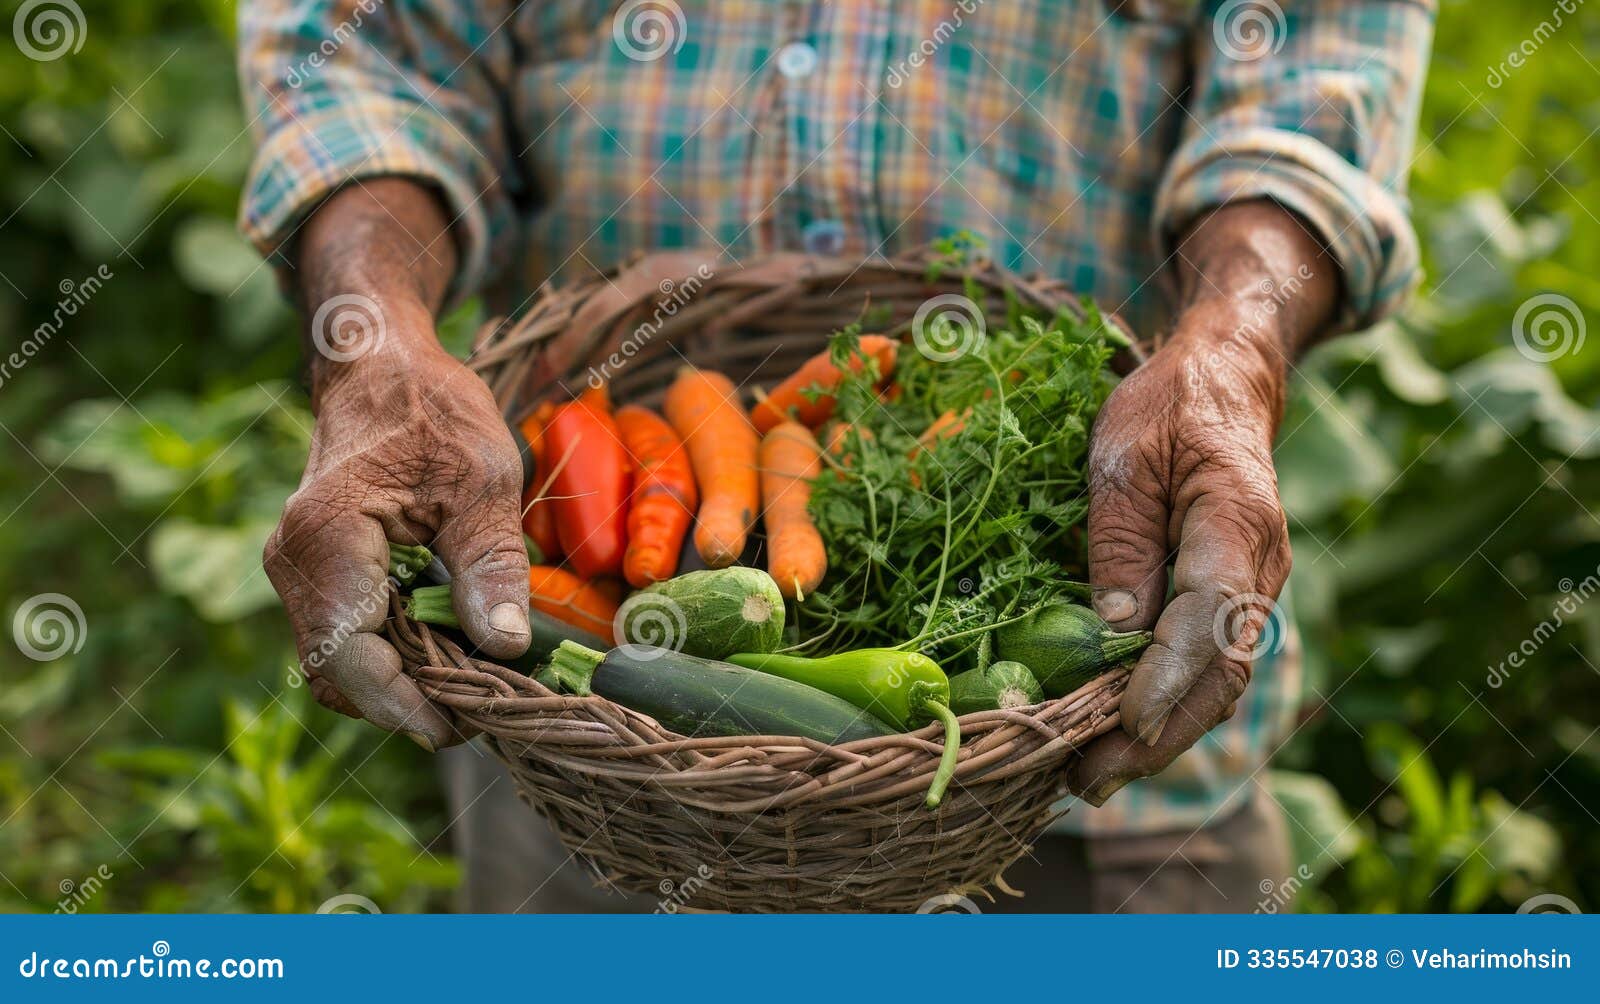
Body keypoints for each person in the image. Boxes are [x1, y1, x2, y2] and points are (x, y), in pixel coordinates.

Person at [239, 0, 1433, 913]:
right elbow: (364, 54)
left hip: (1107, 776)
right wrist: (375, 343)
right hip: (606, 782)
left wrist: (1231, 355)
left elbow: (1312, 83)